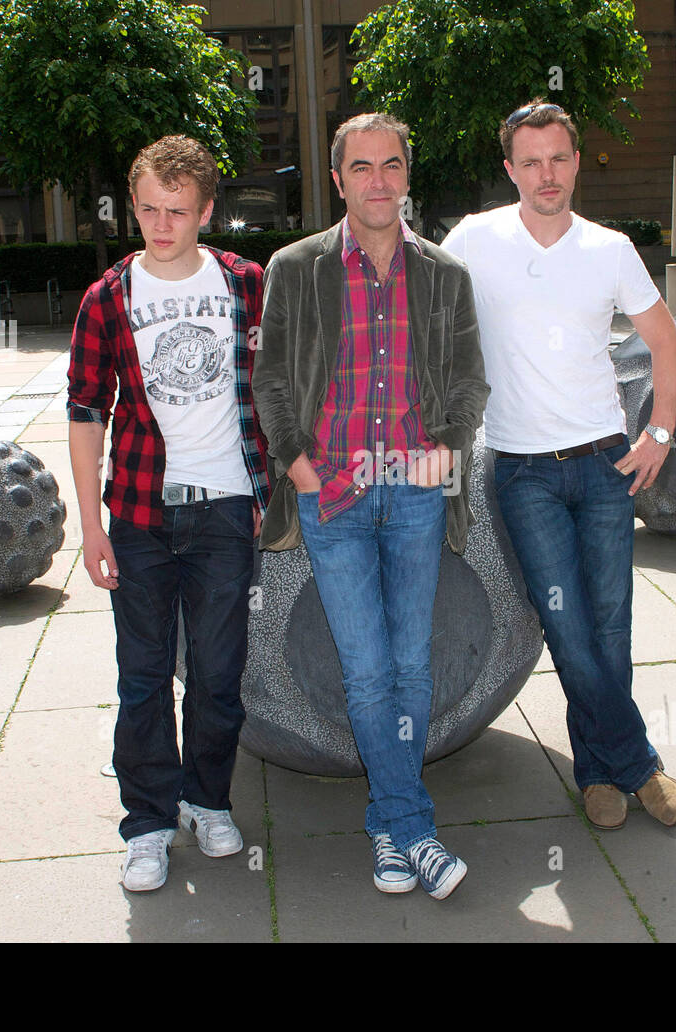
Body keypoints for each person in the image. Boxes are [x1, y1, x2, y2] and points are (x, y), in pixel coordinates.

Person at [253, 113, 489, 899]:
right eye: (362, 168)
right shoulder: (296, 267)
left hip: (418, 495)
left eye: (391, 165)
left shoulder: (444, 275)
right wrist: (297, 464)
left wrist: (447, 447)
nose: (379, 181)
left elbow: (468, 380)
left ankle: (392, 830)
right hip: (335, 499)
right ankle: (412, 828)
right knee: (366, 670)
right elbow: (271, 380)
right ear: (338, 180)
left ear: (406, 175)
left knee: (413, 665)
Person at [440, 100, 676, 832]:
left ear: (577, 162)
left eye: (559, 158)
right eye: (530, 161)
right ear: (509, 168)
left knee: (610, 627)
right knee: (567, 627)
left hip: (609, 464)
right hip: (523, 472)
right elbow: (417, 304)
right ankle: (639, 762)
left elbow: (668, 347)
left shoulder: (609, 250)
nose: (546, 174)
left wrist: (661, 434)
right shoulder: (473, 240)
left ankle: (597, 775)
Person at [67, 135, 269, 891]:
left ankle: (206, 799)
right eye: (147, 208)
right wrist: (91, 526)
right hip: (143, 514)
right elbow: (86, 413)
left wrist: (268, 489)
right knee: (144, 676)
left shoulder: (248, 285)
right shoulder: (106, 298)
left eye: (177, 211)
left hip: (225, 512)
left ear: (206, 210)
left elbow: (274, 392)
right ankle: (147, 821)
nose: (160, 224)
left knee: (219, 676)